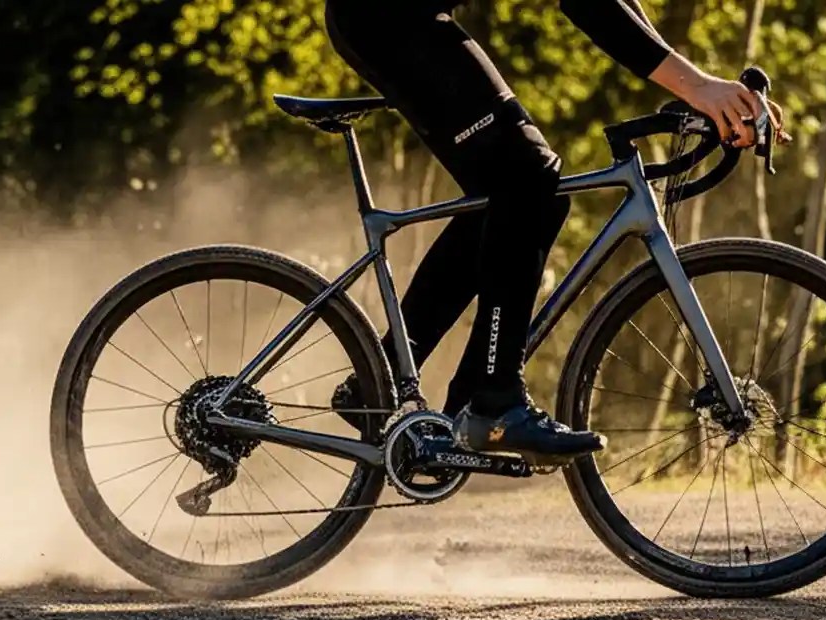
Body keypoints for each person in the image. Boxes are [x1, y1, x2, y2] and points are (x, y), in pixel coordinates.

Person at [326, 0, 785, 464]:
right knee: (527, 174)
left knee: (528, 196)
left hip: (394, 18)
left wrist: (698, 91)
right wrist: (700, 87)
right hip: (388, 17)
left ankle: (384, 382)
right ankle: (495, 402)